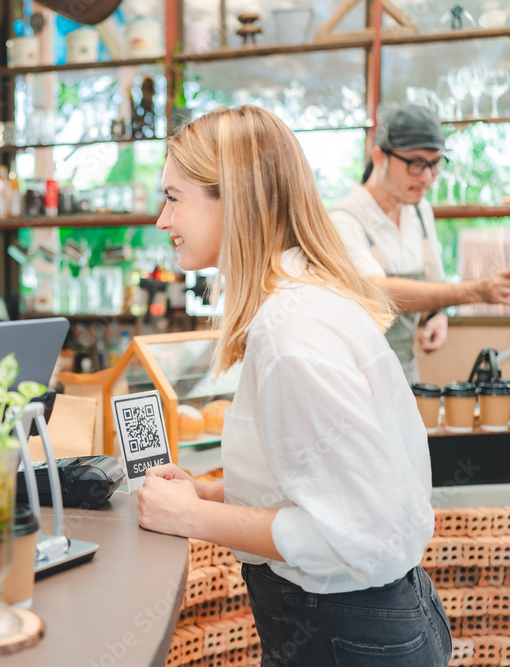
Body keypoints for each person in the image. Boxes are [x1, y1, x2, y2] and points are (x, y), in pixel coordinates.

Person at [139, 106, 451, 665]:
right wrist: (210, 491)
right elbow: (320, 487)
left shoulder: (292, 331)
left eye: (173, 197)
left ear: (231, 196)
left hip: (347, 634)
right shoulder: (296, 305)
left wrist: (191, 517)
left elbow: (355, 532)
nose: (162, 220)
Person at [330, 102, 510, 382]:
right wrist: (475, 291)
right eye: (416, 164)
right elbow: (377, 291)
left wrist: (436, 317)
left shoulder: (419, 210)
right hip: (356, 374)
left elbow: (432, 288)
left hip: (405, 371)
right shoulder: (344, 219)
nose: (427, 177)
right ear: (379, 157)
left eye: (435, 163)